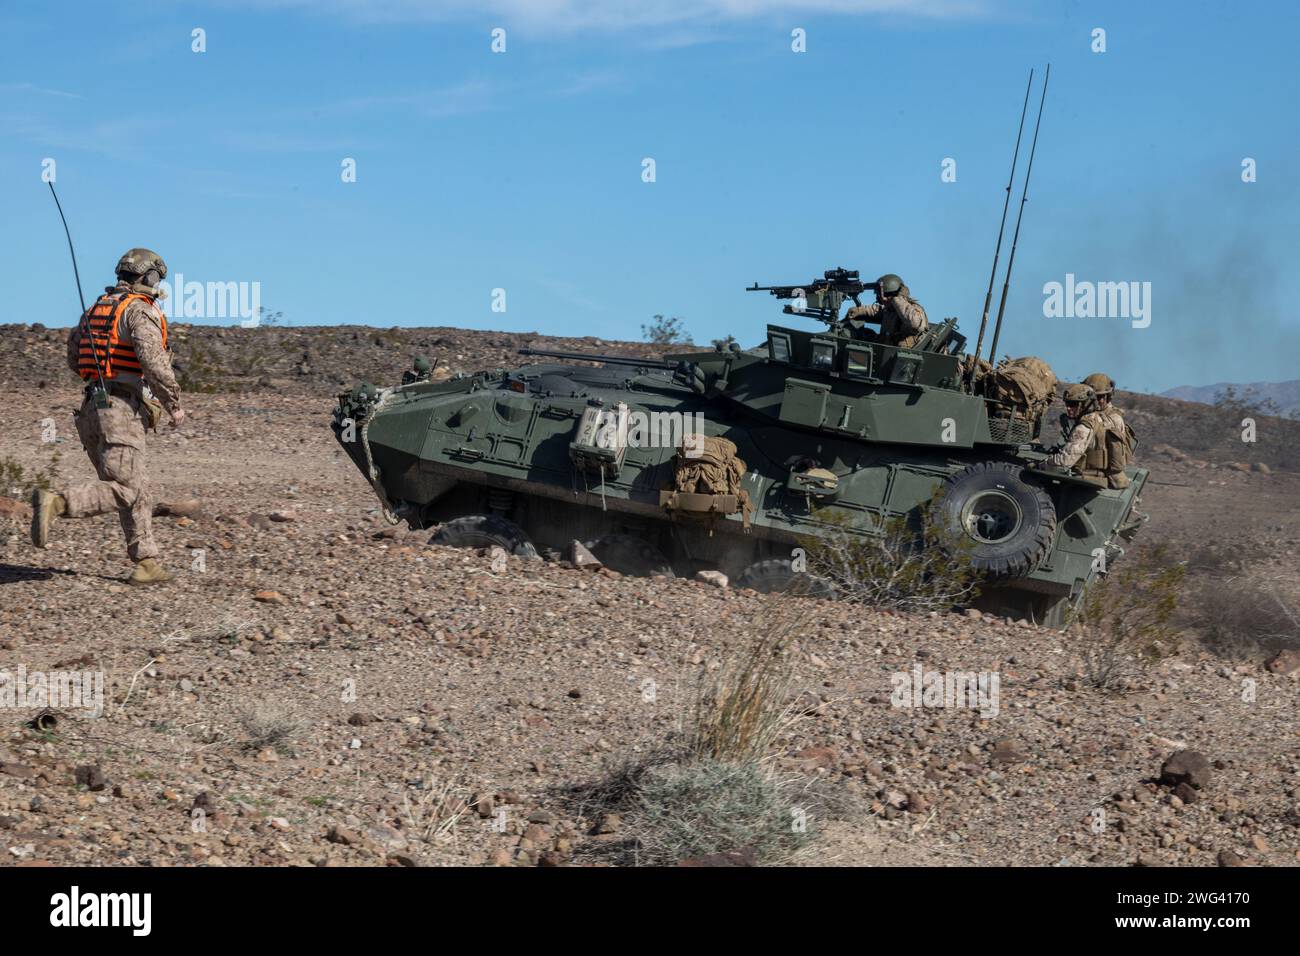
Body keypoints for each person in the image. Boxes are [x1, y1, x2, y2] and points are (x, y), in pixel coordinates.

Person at [31, 248, 184, 585]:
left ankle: (146, 562)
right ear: (150, 277)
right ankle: (57, 503)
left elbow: (75, 359)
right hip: (120, 409)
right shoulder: (139, 312)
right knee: (125, 488)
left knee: (136, 483)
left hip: (90, 408)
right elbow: (153, 362)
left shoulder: (93, 312)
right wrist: (173, 403)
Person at [1043, 382, 1134, 489]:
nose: (1068, 408)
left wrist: (1042, 464)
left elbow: (1065, 461)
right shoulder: (1103, 419)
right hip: (1100, 480)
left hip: (1085, 483)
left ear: (1085, 404)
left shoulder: (1085, 426)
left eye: (1073, 404)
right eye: (1067, 404)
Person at [841, 273, 929, 347]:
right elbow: (875, 310)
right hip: (884, 353)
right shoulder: (890, 310)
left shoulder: (913, 310)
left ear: (888, 295)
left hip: (901, 361)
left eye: (879, 295)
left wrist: (896, 299)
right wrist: (858, 311)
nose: (878, 299)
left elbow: (915, 324)